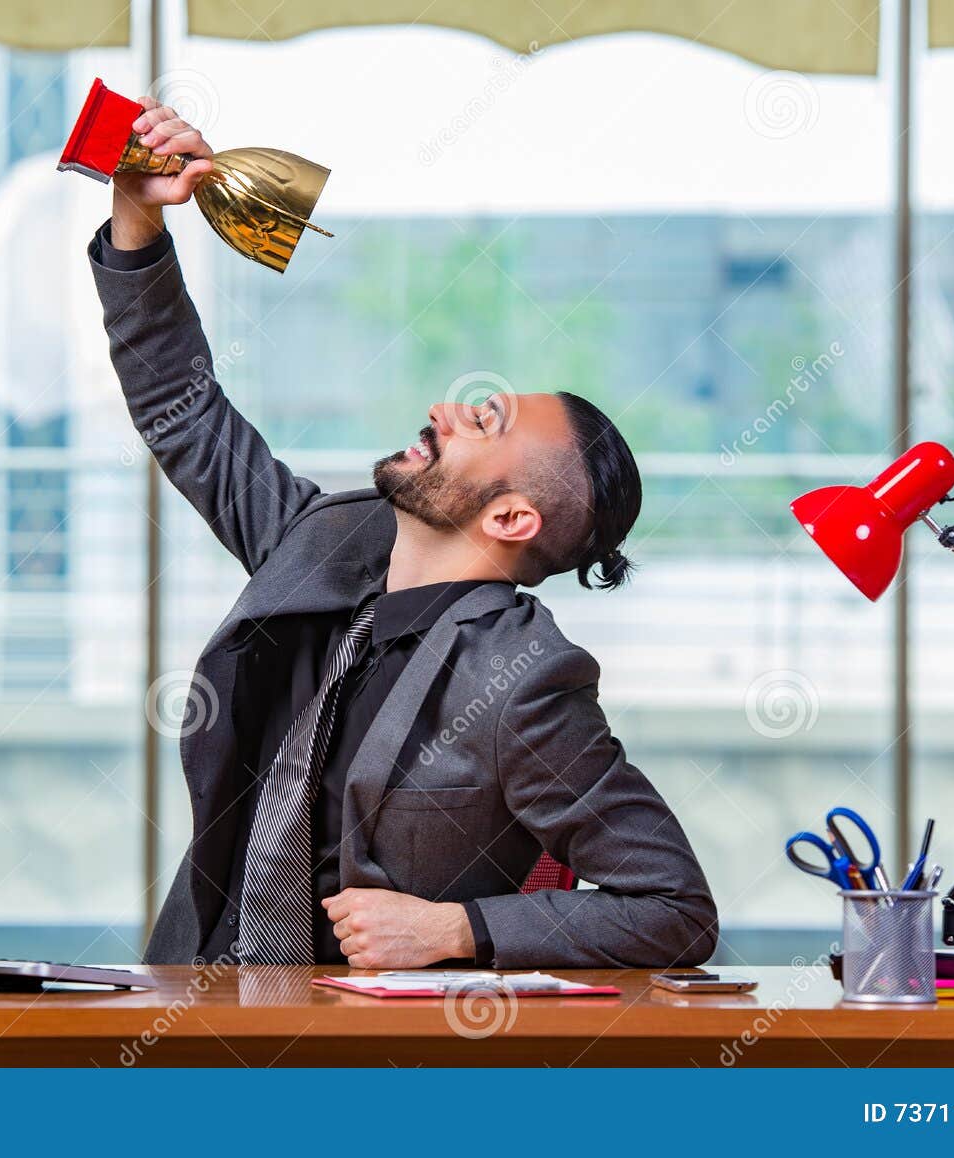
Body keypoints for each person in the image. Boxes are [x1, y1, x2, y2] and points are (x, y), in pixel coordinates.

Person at [89, 98, 717, 970]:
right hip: (198, 994)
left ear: (510, 519)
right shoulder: (319, 542)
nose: (444, 408)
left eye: (485, 421)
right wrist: (138, 219)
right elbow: (181, 411)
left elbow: (674, 908)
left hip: (356, 1038)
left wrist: (457, 929)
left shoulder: (526, 680)